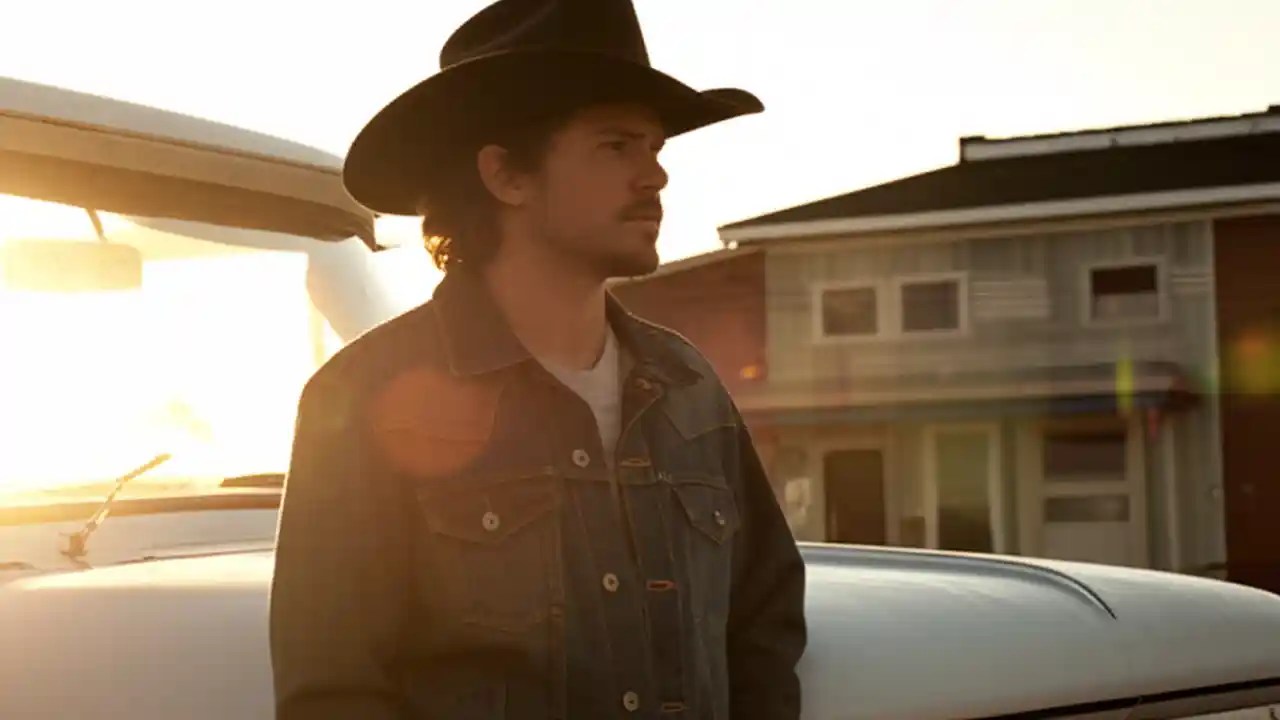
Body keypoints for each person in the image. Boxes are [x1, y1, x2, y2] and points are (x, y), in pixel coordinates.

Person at [269, 0, 807, 718]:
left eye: (656, 149)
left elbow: (763, 629)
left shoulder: (691, 390)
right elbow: (336, 692)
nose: (655, 177)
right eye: (617, 146)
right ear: (506, 176)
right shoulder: (364, 397)